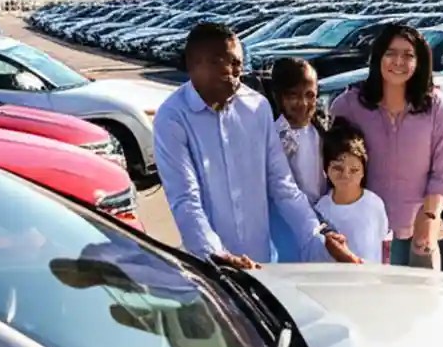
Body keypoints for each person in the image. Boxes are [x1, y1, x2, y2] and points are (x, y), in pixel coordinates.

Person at [153, 22, 358, 268]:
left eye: (239, 62)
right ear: (196, 64)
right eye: (227, 62)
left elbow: (282, 186)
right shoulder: (173, 117)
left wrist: (319, 238)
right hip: (209, 268)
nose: (238, 70)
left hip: (260, 263)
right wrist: (214, 253)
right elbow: (185, 198)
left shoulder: (257, 108)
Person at [329, 23, 443, 269]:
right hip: (362, 236)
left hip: (417, 236)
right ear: (378, 56)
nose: (398, 62)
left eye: (408, 55)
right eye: (390, 53)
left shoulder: (436, 107)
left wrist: (430, 218)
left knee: (419, 304)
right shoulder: (348, 105)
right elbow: (332, 163)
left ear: (420, 62)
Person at [267, 57, 327, 261]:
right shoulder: (277, 136)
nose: (302, 103)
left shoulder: (319, 131)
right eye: (293, 95)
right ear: (279, 96)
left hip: (320, 221)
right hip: (285, 226)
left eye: (310, 95)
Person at [314, 117, 387, 264]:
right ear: (326, 169)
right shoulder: (321, 209)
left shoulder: (374, 205)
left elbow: (381, 244)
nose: (345, 175)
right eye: (337, 168)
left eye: (354, 170)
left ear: (363, 171)